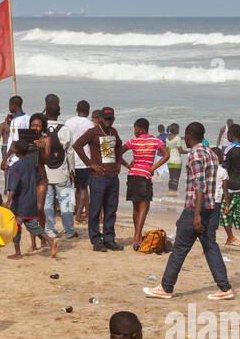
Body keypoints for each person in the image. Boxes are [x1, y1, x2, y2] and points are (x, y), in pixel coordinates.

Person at [142, 122, 234, 301]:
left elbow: (200, 185)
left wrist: (197, 215)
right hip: (210, 207)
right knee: (210, 247)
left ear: (189, 136)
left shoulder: (196, 154)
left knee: (180, 248)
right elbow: (210, 184)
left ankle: (166, 287)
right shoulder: (212, 154)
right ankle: (225, 288)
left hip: (195, 209)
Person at [72, 106, 126, 251]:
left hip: (113, 177)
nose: (108, 121)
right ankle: (96, 240)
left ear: (113, 119)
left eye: (111, 119)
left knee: (111, 209)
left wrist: (118, 163)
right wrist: (90, 164)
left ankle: (109, 239)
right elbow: (77, 145)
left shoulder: (113, 132)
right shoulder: (93, 132)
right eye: (106, 118)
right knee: (95, 210)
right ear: (101, 119)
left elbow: (120, 146)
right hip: (98, 178)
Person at [6, 131, 56, 259]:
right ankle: (50, 241)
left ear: (16, 151)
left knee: (16, 227)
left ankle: (17, 253)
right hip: (31, 200)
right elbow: (37, 178)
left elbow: (13, 187)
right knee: (33, 225)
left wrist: (8, 203)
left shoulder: (16, 167)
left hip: (20, 203)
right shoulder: (31, 164)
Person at [124, 116, 167, 249]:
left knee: (136, 208)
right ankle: (137, 237)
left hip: (132, 176)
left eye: (135, 129)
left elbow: (118, 152)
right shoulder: (155, 140)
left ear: (141, 129)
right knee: (144, 207)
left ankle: (136, 236)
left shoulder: (133, 141)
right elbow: (166, 155)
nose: (134, 132)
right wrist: (153, 168)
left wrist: (128, 165)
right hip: (144, 176)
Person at [40, 94, 76, 240]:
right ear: (59, 113)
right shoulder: (65, 129)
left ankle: (50, 229)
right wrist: (72, 171)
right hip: (62, 171)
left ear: (45, 112)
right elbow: (70, 153)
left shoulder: (41, 130)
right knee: (66, 203)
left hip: (45, 172)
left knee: (47, 203)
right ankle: (69, 230)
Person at [64, 100, 95, 223]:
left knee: (75, 188)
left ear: (77, 109)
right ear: (88, 111)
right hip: (84, 160)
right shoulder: (90, 124)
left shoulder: (68, 122)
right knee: (83, 188)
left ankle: (76, 212)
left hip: (70, 159)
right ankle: (77, 216)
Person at [221, 124, 240, 248]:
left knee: (224, 212)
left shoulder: (229, 149)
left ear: (231, 134)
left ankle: (230, 236)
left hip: (231, 185)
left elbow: (224, 170)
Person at [164, 122, 185, 193]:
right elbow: (180, 150)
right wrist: (189, 151)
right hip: (177, 161)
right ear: (177, 130)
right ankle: (174, 193)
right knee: (176, 179)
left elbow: (167, 149)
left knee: (171, 178)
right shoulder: (178, 138)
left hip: (169, 160)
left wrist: (183, 137)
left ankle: (170, 192)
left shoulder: (167, 139)